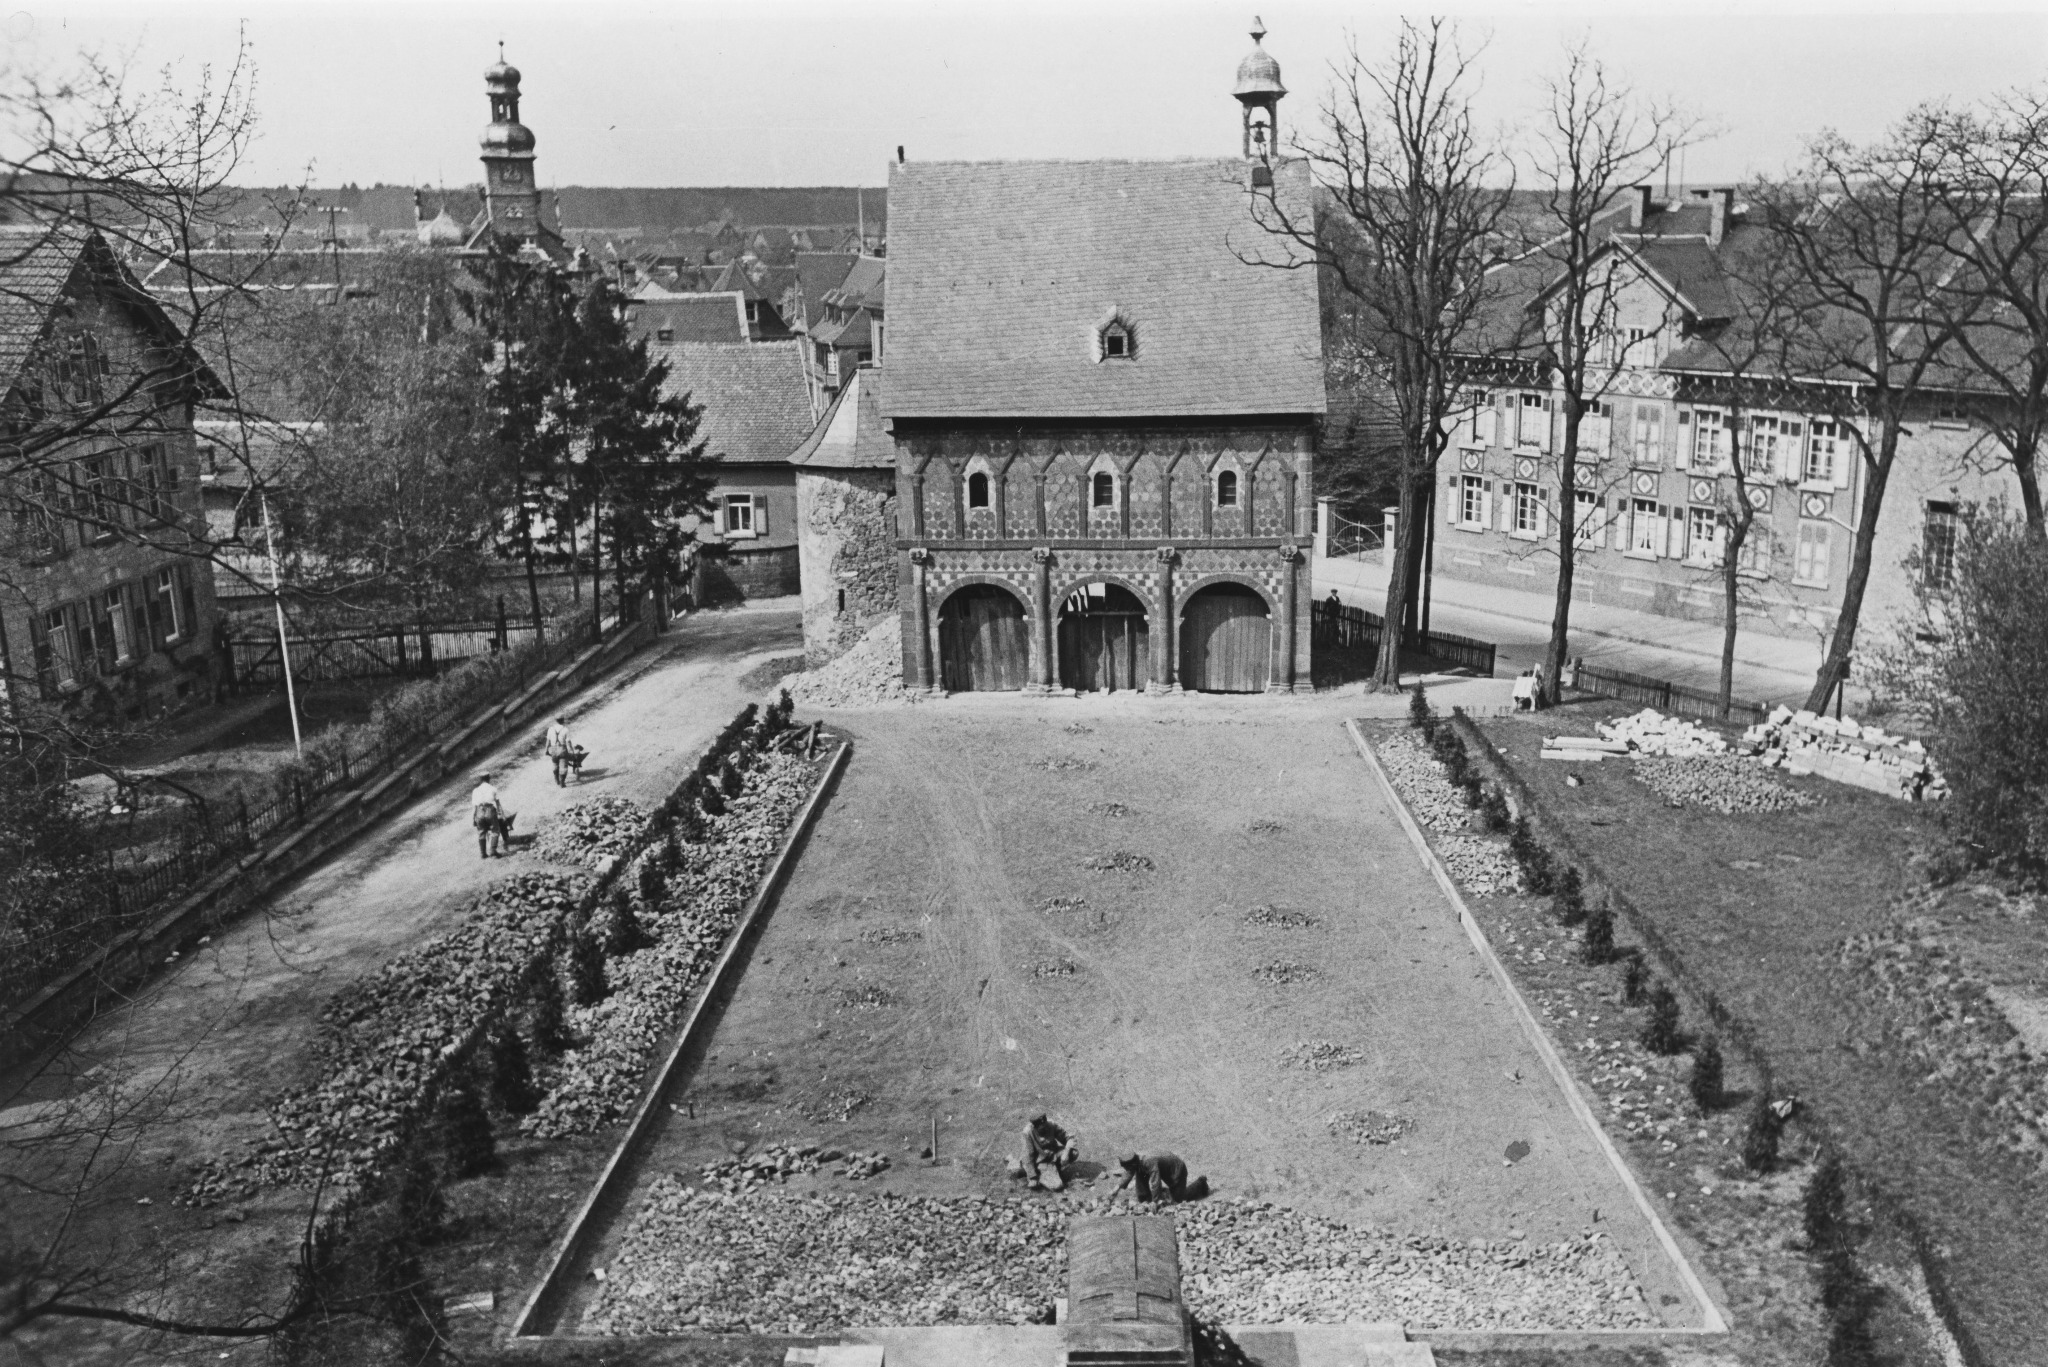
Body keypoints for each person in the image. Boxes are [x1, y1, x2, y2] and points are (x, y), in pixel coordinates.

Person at [1112, 1151, 1208, 1204]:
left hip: (1176, 1169)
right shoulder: (1135, 1161)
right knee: (1140, 1173)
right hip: (1162, 1167)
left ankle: (1200, 1183)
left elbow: (1156, 1182)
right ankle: (1144, 1198)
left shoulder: (1148, 1161)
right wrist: (1117, 1188)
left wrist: (1155, 1201)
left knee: (1179, 1199)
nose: (1127, 1169)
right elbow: (1129, 1172)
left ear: (1132, 1164)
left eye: (1127, 1167)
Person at [1021, 1113, 1077, 1190]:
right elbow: (1028, 1155)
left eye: (1045, 1125)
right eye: (1042, 1128)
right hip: (1041, 1161)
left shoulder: (1051, 1124)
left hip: (1054, 1154)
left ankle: (1055, 1169)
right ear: (1035, 1127)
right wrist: (1032, 1176)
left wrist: (1066, 1154)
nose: (1045, 1128)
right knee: (1057, 1186)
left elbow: (1069, 1138)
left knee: (1073, 1153)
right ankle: (1038, 1173)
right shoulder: (1027, 1133)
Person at [471, 772, 504, 859]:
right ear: (489, 778)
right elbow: (498, 804)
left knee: (481, 832)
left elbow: (475, 807)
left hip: (479, 811)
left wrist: (473, 819)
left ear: (480, 780)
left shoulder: (476, 790)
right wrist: (501, 814)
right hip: (490, 810)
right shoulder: (493, 788)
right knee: (495, 830)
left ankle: (483, 854)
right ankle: (493, 850)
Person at [544, 717, 574, 787]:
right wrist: (571, 750)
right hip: (562, 749)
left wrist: (546, 750)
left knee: (555, 765)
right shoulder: (565, 729)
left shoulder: (551, 729)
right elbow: (568, 742)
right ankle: (562, 782)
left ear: (556, 721)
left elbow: (548, 741)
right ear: (563, 720)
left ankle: (557, 780)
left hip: (553, 749)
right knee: (563, 767)